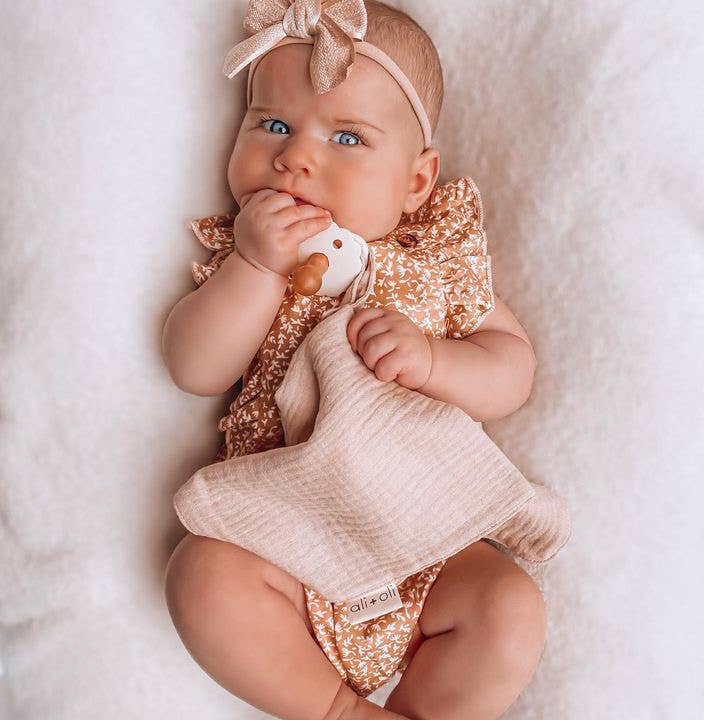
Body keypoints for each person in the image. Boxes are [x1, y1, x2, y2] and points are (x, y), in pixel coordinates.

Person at [162, 2, 546, 718]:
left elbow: (512, 368)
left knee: (509, 606)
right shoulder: (253, 268)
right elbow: (194, 368)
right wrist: (254, 266)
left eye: (347, 137)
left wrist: (433, 362)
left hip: (430, 542)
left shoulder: (431, 264)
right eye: (273, 125)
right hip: (285, 542)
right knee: (201, 578)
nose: (296, 158)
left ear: (416, 182)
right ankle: (340, 710)